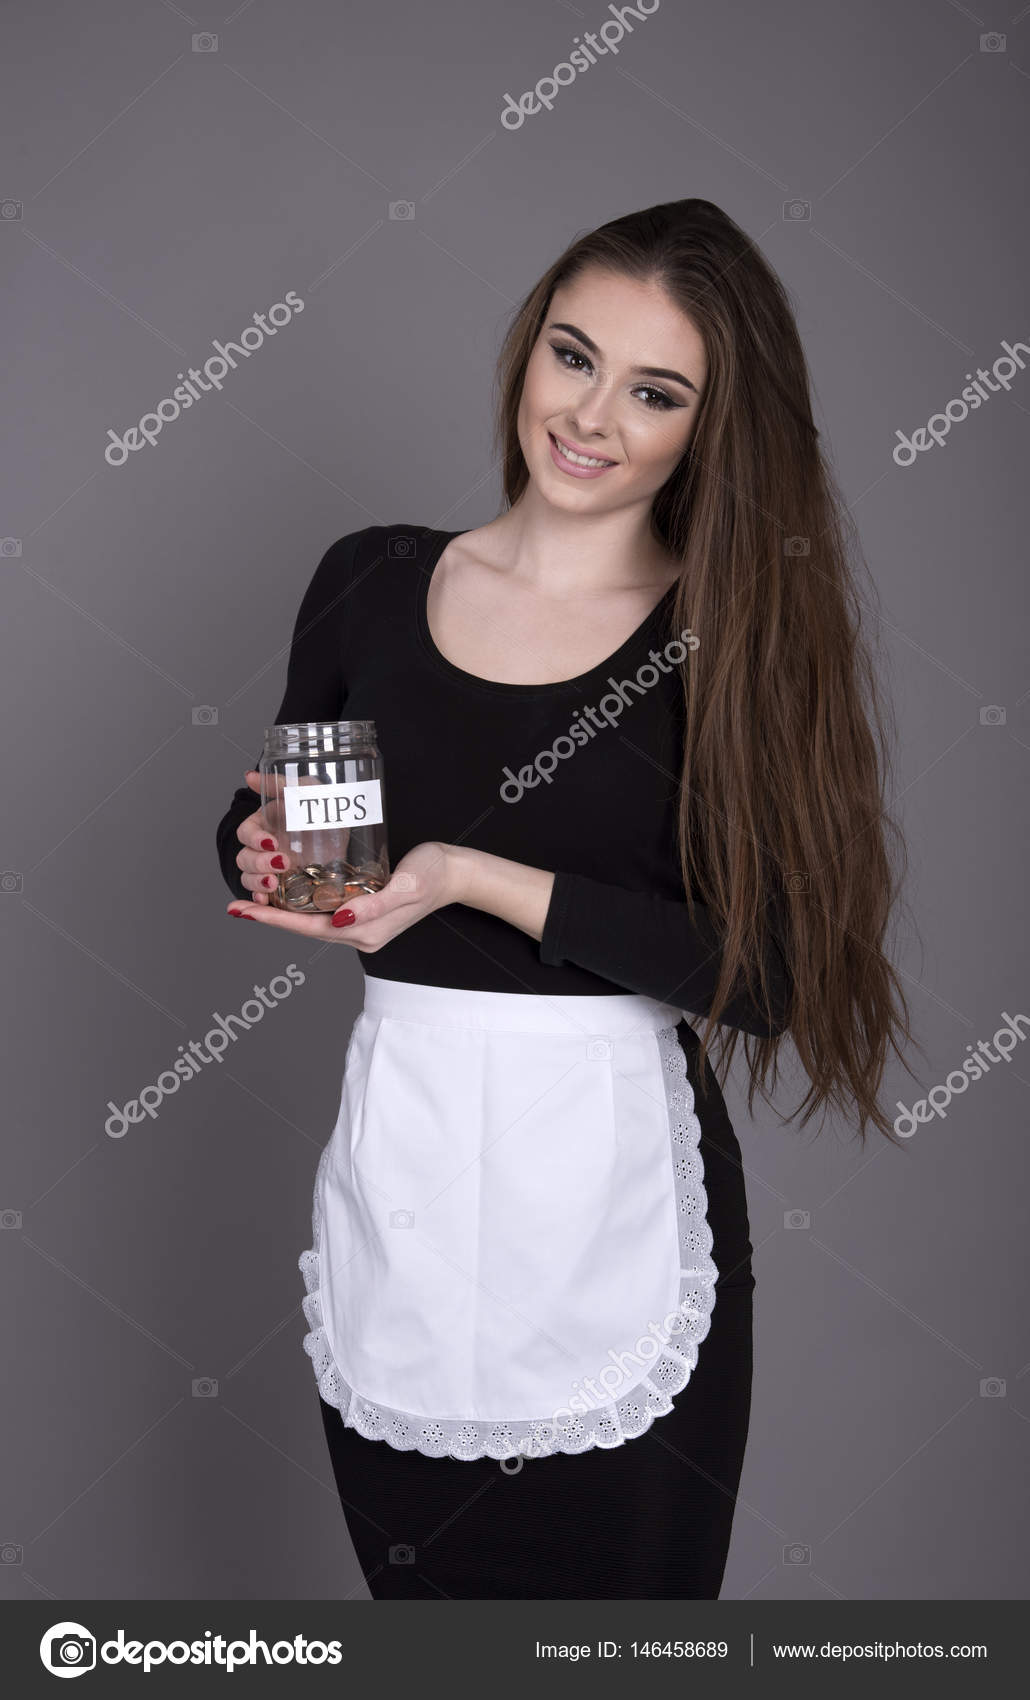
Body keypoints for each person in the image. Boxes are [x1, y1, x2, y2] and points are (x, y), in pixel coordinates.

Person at [214, 198, 912, 1600]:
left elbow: (769, 975)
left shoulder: (723, 639)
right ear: (527, 350)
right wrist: (256, 844)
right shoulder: (369, 583)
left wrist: (473, 875)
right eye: (571, 356)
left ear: (709, 426)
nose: (590, 415)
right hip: (402, 1182)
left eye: (654, 391)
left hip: (612, 1208)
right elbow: (303, 835)